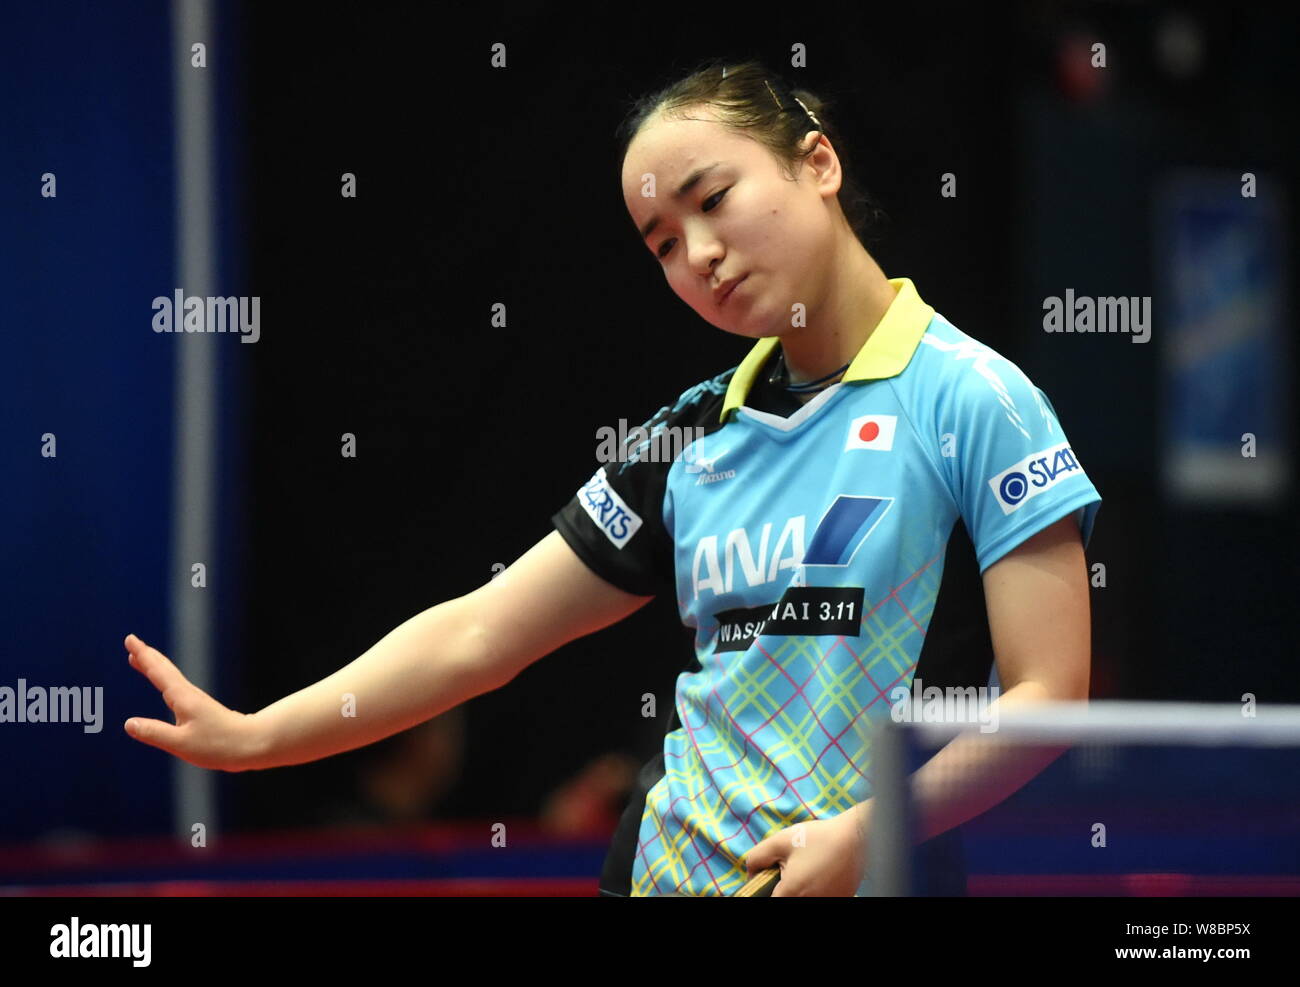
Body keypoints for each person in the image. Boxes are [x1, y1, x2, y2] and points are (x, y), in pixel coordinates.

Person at [123, 57, 1101, 898]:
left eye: (712, 200)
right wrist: (258, 736)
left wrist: (866, 834)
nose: (700, 256)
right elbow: (479, 631)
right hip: (660, 872)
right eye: (664, 243)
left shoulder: (973, 400)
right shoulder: (687, 435)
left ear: (818, 162)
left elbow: (1048, 696)